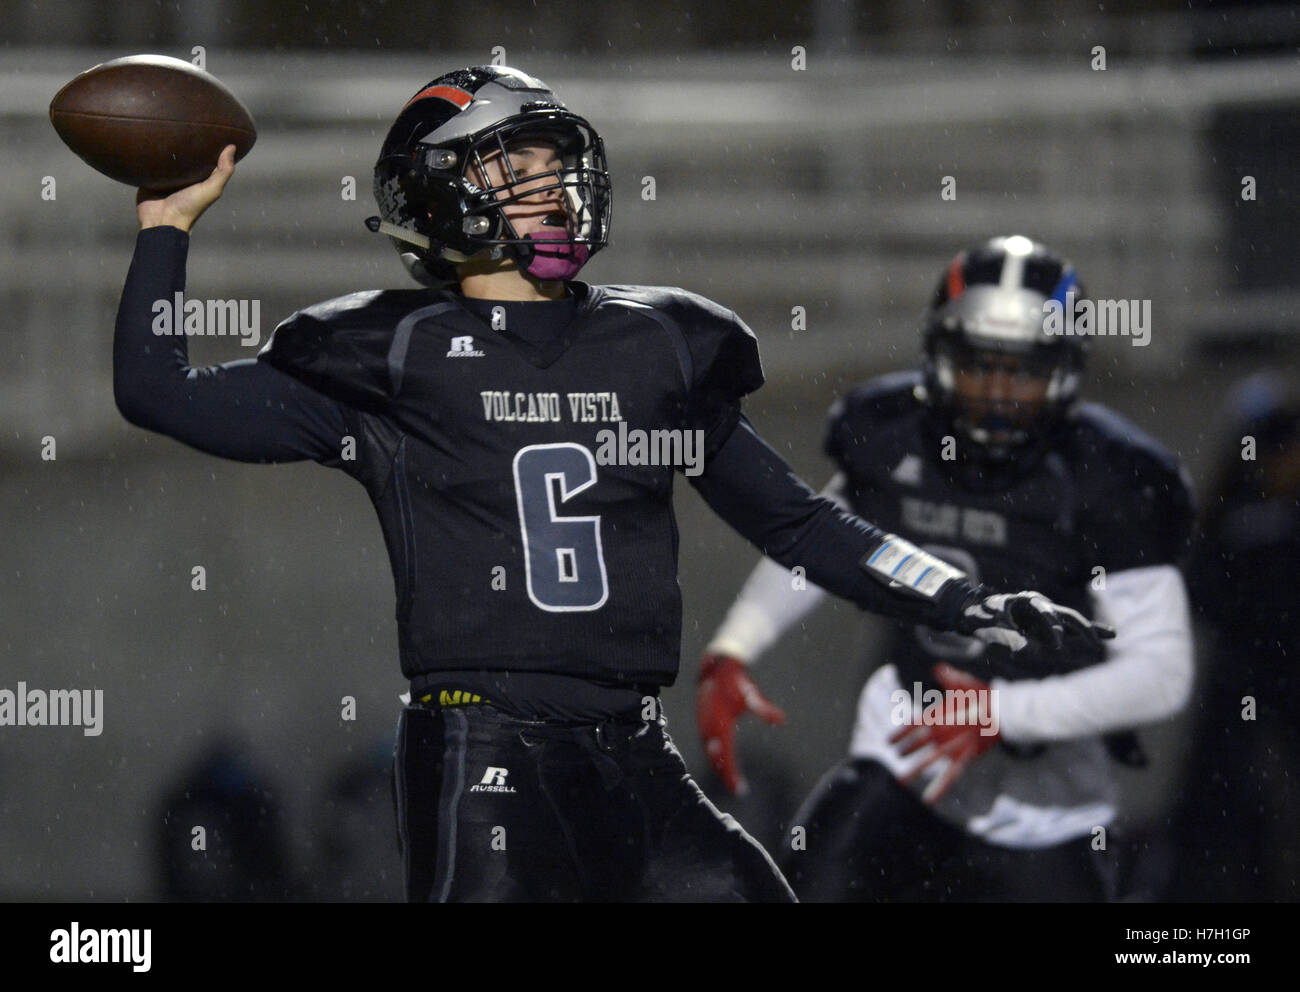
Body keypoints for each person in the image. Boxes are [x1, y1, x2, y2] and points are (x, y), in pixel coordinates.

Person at [114, 68, 1109, 902]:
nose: (549, 179)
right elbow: (159, 392)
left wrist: (965, 596)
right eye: (516, 161)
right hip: (482, 749)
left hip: (632, 749)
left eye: (552, 157)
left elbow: (800, 521)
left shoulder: (659, 342)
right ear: (440, 189)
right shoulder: (392, 352)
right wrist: (166, 228)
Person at [699, 236, 1193, 901]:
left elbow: (1160, 675)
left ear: (1066, 371)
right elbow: (817, 544)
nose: (994, 393)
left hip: (1045, 805)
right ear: (937, 356)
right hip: (903, 754)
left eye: (1019, 372)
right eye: (977, 366)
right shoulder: (892, 431)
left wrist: (999, 711)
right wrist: (737, 645)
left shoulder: (1111, 478)